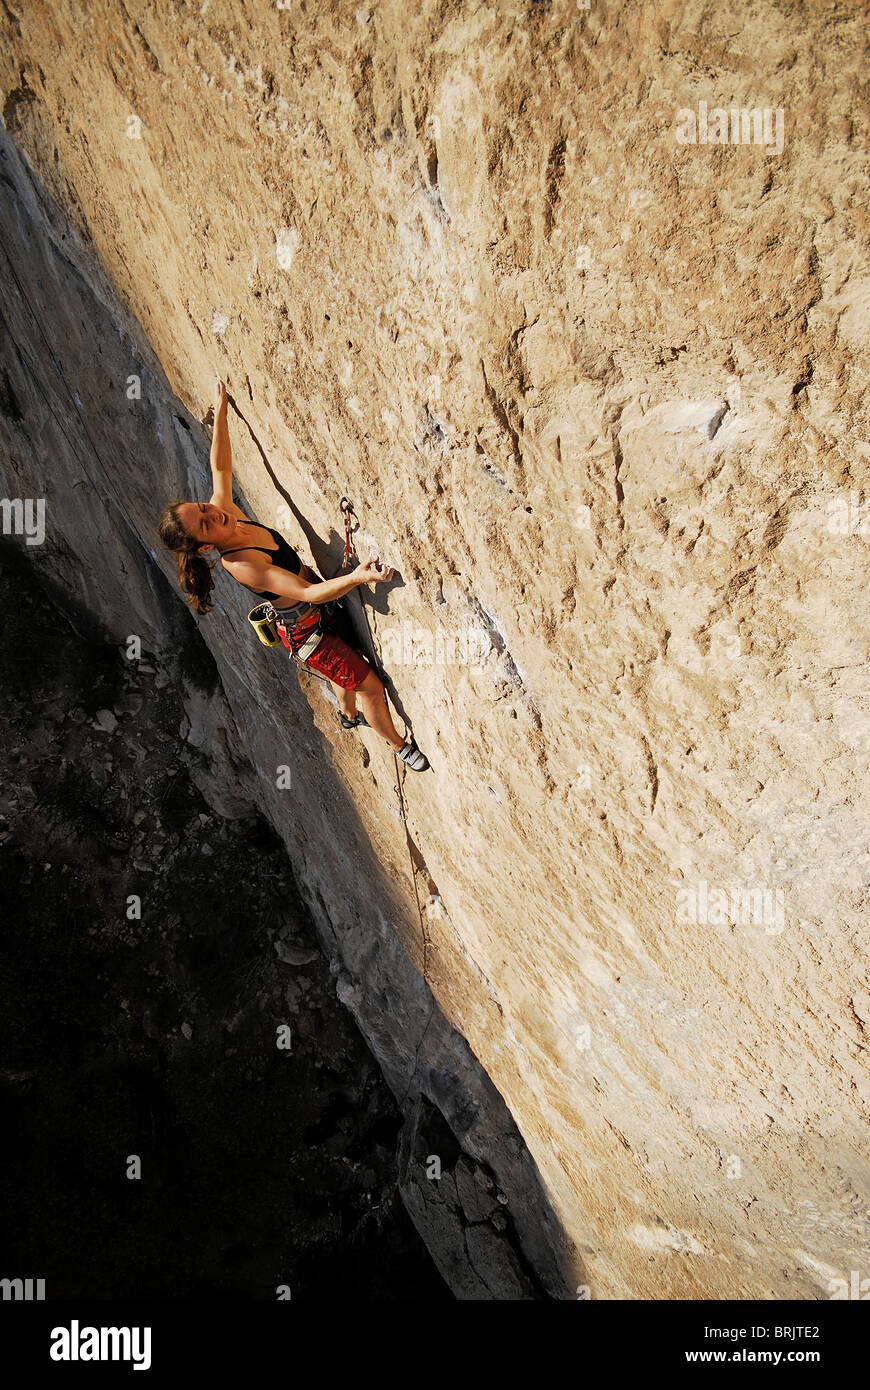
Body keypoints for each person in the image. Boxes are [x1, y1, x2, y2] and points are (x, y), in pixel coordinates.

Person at [158, 380, 429, 771]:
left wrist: (220, 410)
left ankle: (347, 715)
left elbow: (219, 465)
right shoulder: (240, 563)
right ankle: (399, 744)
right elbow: (307, 591)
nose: (212, 513)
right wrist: (358, 577)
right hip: (309, 632)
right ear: (204, 547)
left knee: (347, 669)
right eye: (205, 523)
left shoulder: (223, 510)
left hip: (315, 612)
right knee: (368, 684)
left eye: (202, 506)